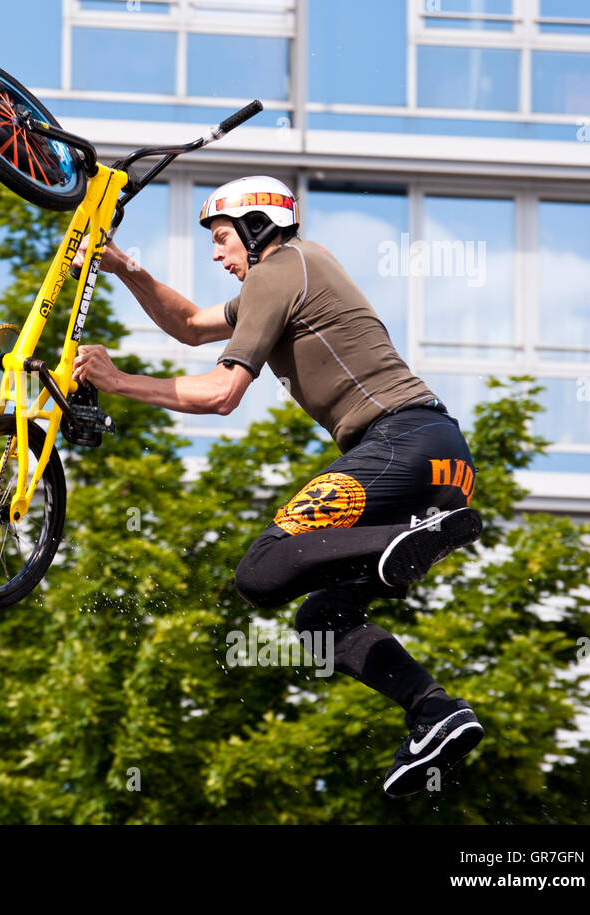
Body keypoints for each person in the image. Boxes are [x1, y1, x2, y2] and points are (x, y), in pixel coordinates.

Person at [70, 174, 485, 797]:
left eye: (220, 238)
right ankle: (434, 711)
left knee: (261, 569)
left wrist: (117, 380)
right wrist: (125, 267)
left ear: (256, 227)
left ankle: (399, 539)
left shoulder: (281, 266)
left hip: (401, 445)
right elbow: (187, 323)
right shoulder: (290, 273)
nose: (217, 254)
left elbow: (221, 394)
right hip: (442, 466)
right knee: (321, 618)